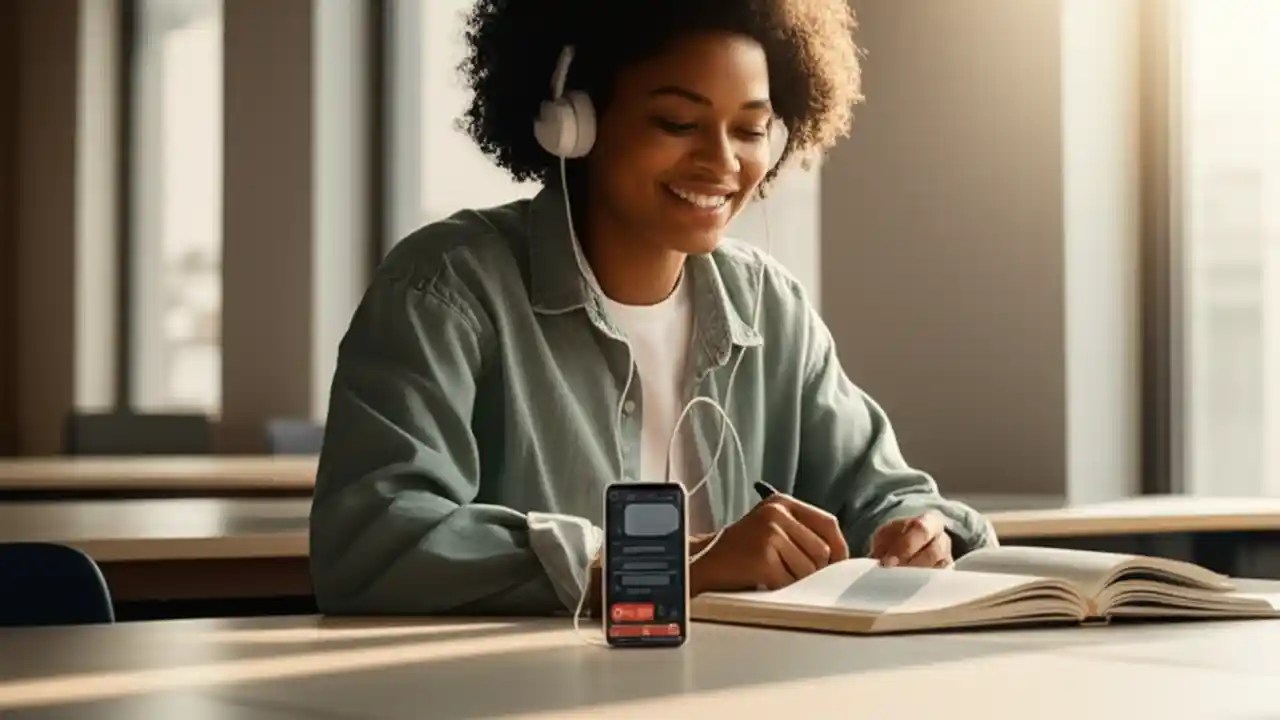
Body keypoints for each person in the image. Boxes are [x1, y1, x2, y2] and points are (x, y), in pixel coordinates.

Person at [310, 0, 998, 616]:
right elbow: (375, 543)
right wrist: (672, 562)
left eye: (751, 130)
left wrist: (922, 531)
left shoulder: (770, 307)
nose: (721, 161)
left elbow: (887, 492)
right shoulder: (448, 287)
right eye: (677, 122)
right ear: (573, 120)